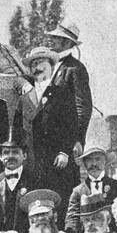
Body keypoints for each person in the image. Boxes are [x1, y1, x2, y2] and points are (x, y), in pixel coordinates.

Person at [20, 46, 79, 221]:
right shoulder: (25, 99)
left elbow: (72, 125)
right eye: (34, 64)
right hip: (32, 164)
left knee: (58, 205)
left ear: (51, 67)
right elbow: (17, 131)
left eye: (42, 63)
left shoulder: (62, 94)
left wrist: (64, 152)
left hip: (56, 162)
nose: (38, 68)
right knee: (36, 208)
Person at [44, 22, 93, 153]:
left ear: (66, 42)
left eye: (55, 38)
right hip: (44, 140)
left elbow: (83, 107)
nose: (50, 40)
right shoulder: (46, 66)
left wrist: (78, 139)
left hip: (65, 142)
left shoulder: (75, 68)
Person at [64, 145, 117, 233]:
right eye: (89, 160)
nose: (94, 164)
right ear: (85, 163)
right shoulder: (78, 192)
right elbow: (72, 220)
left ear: (105, 162)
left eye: (98, 159)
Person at [0, 127, 39, 233]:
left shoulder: (34, 181)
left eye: (15, 152)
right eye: (6, 153)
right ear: (1, 157)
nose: (10, 156)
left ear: (24, 155)